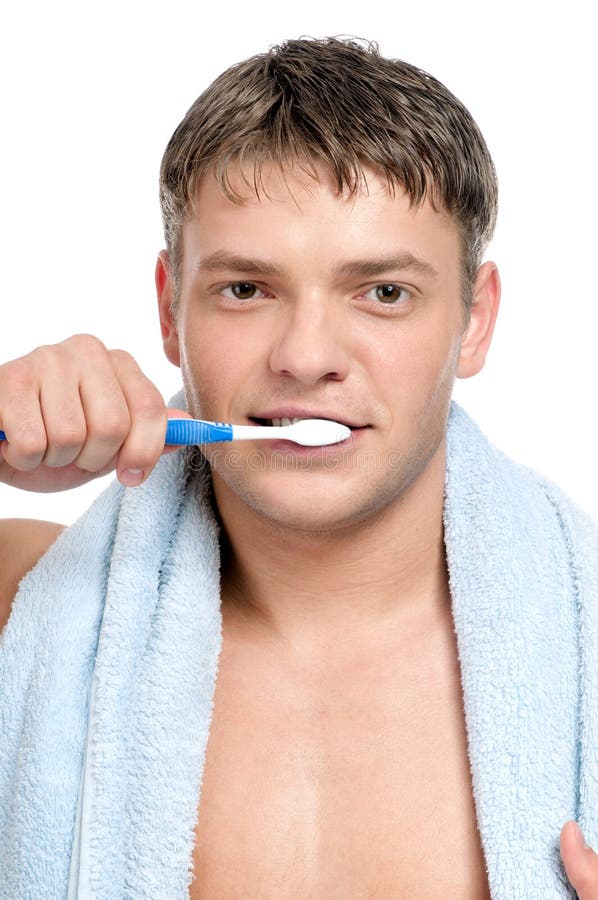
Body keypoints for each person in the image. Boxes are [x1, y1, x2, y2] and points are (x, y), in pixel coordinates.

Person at [0, 36, 597, 899]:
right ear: (169, 310)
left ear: (475, 321)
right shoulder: (25, 598)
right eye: (246, 289)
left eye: (383, 292)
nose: (307, 356)